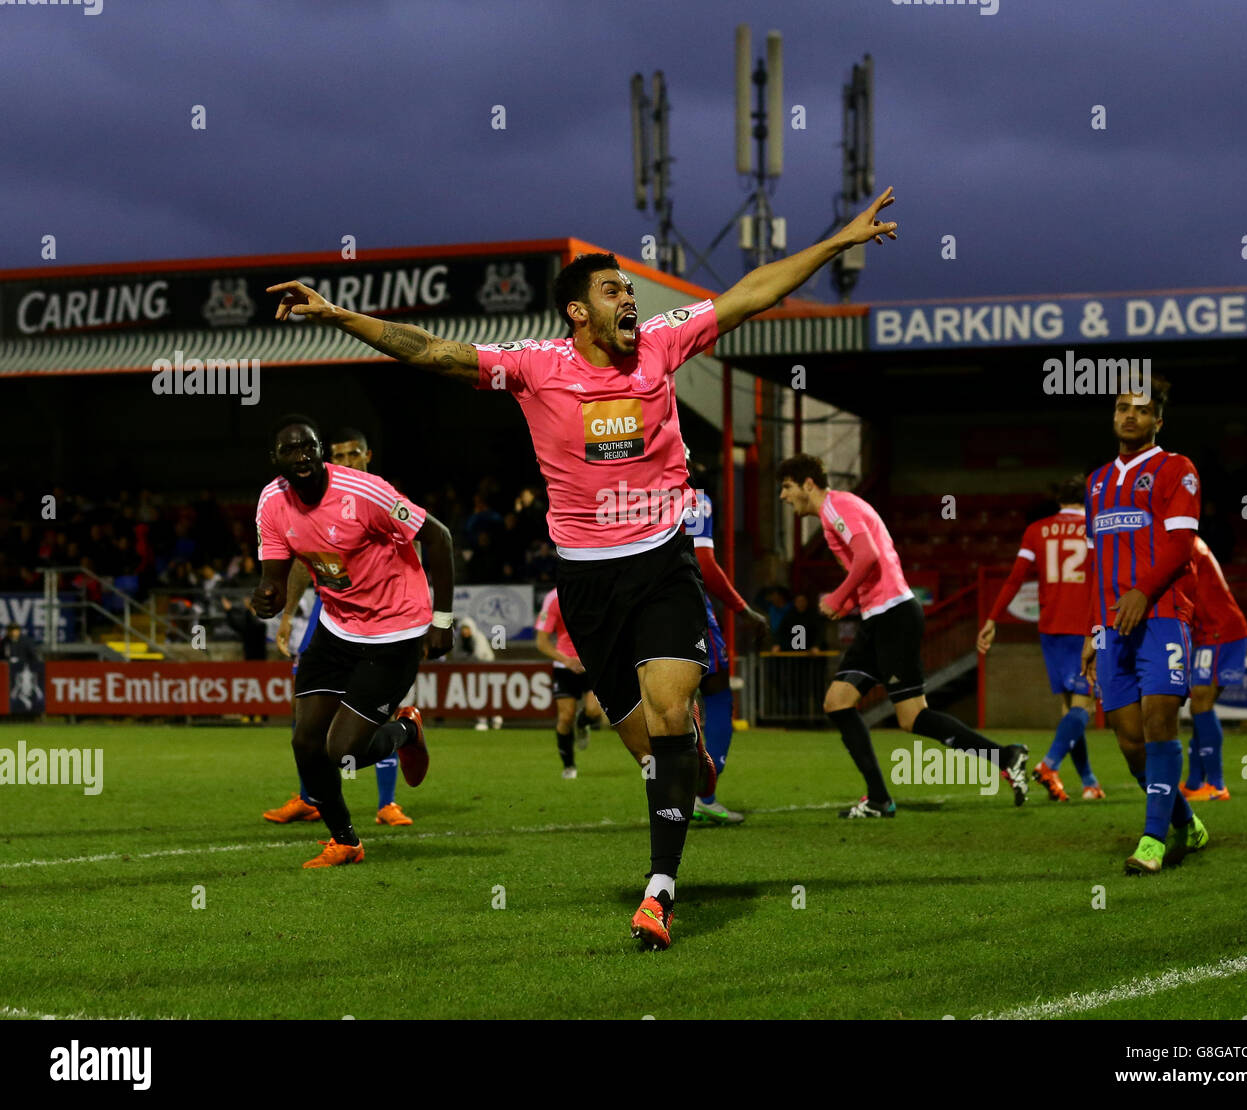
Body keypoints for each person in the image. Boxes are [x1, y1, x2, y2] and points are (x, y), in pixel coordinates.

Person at [268, 185, 899, 947]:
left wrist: (837, 241)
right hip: (587, 583)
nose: (629, 297)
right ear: (579, 310)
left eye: (629, 288)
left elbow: (749, 294)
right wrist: (339, 316)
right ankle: (682, 759)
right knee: (651, 752)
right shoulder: (536, 367)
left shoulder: (662, 343)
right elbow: (432, 350)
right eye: (613, 289)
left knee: (667, 716)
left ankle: (659, 891)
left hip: (662, 561)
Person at [778, 453, 1030, 818]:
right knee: (837, 701)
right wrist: (852, 600)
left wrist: (838, 596)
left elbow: (867, 556)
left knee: (912, 717)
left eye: (786, 487)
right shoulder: (838, 511)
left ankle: (1005, 756)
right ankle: (879, 799)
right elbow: (867, 563)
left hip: (893, 616)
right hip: (878, 619)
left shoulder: (837, 507)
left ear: (808, 485)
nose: (784, 496)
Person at [251, 415, 454, 867]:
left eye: (309, 447)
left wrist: (442, 620)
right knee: (305, 743)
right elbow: (275, 575)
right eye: (290, 450)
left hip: (395, 630)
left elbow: (438, 538)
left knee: (340, 751)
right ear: (275, 460)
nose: (302, 456)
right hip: (338, 626)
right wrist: (268, 597)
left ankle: (406, 730)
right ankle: (344, 841)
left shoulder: (366, 492)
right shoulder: (271, 502)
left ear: (321, 450)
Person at [1080, 384, 1209, 874]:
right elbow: (1094, 565)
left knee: (1159, 725)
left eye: (1142, 410)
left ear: (1159, 420)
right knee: (1130, 741)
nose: (1129, 416)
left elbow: (1181, 547)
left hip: (1162, 616)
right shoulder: (1096, 483)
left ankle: (1152, 840)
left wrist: (1143, 592)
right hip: (1113, 627)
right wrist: (1093, 631)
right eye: (1121, 408)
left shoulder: (1178, 470)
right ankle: (1187, 822)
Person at [263, 427, 419, 828]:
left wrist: (429, 616)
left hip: (384, 622)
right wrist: (287, 614)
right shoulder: (300, 501)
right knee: (309, 721)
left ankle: (386, 802)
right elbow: (298, 560)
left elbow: (419, 545)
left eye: (352, 455)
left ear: (367, 457)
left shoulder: (373, 497)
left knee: (363, 718)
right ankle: (310, 797)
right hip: (330, 613)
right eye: (339, 455)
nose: (344, 462)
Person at [977, 475, 1105, 801]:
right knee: (1085, 707)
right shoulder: (1097, 528)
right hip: (1086, 628)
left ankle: (1089, 783)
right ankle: (1049, 765)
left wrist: (992, 618)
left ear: (1057, 498)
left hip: (1050, 628)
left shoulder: (1036, 530)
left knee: (1069, 710)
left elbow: (1015, 578)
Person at [681, 457, 769, 824]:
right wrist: (742, 608)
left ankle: (669, 798)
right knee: (716, 692)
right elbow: (704, 561)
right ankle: (705, 795)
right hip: (686, 605)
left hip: (637, 606)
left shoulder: (626, 497)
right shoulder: (693, 498)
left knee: (666, 702)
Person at [1180, 536, 1247, 801]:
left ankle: (1217, 785)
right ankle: (1195, 782)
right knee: (1199, 704)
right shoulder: (1189, 540)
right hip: (1213, 631)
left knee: (1201, 701)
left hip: (1220, 631)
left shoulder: (1182, 542)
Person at [535, 587, 603, 778]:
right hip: (564, 667)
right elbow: (541, 642)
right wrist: (567, 660)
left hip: (592, 665)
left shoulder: (597, 593)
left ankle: (583, 724)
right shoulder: (553, 598)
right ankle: (569, 766)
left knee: (594, 711)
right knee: (565, 718)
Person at [453, 616, 503, 730]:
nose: (465, 631)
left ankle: (496, 717)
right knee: (477, 695)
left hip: (488, 669)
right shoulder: (460, 639)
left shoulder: (478, 637)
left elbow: (479, 656)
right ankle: (482, 721)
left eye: (467, 628)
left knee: (490, 695)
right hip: (473, 671)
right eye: (463, 629)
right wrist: (468, 657)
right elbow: (456, 655)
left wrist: (466, 658)